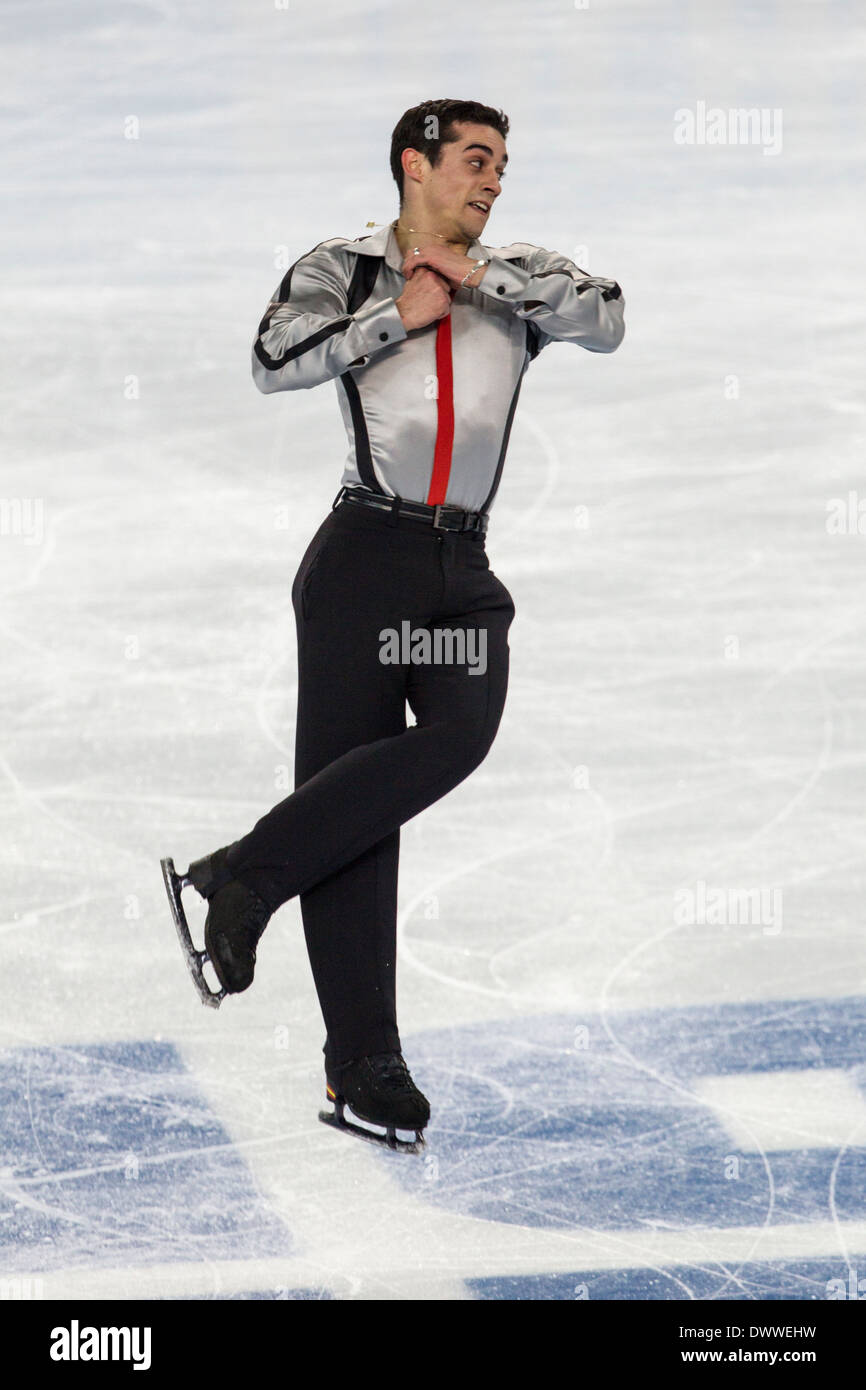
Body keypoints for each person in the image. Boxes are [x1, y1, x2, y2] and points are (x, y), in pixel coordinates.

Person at [164, 98, 625, 1149]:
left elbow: (604, 315)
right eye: (472, 160)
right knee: (357, 820)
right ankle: (362, 1070)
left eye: (501, 164)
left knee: (458, 734)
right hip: (363, 562)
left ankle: (242, 872)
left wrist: (482, 282)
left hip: (459, 567)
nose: (492, 180)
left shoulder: (515, 275)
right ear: (413, 165)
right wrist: (397, 318)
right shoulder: (344, 266)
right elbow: (271, 359)